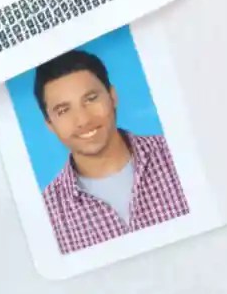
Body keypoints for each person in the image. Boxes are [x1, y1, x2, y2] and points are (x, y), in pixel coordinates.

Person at [35, 49, 189, 254]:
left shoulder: (179, 154)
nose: (83, 120)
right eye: (63, 111)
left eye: (90, 99)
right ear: (50, 125)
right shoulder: (46, 215)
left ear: (112, 97)